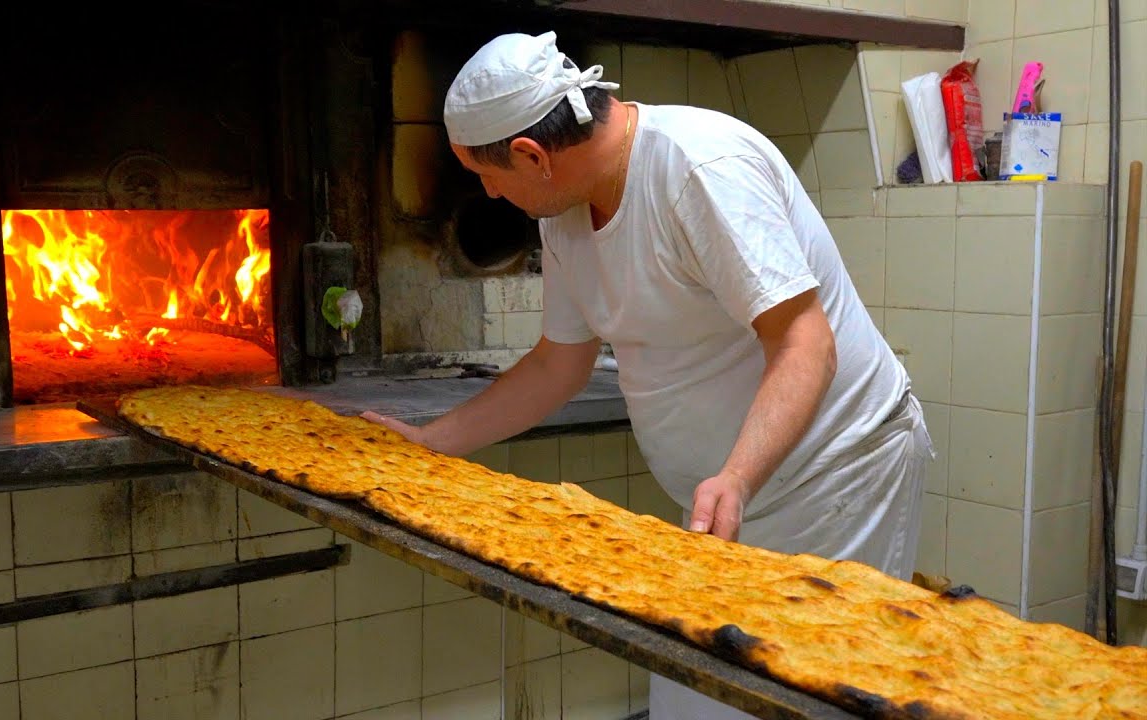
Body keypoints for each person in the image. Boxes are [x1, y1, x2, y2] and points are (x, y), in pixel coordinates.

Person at [363, 30, 933, 719]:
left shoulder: (701, 169)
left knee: (806, 696)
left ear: (531, 154)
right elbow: (557, 364)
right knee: (694, 695)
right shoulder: (563, 212)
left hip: (835, 477)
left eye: (486, 176)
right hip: (727, 502)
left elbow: (806, 344)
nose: (487, 193)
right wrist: (432, 442)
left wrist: (738, 475)